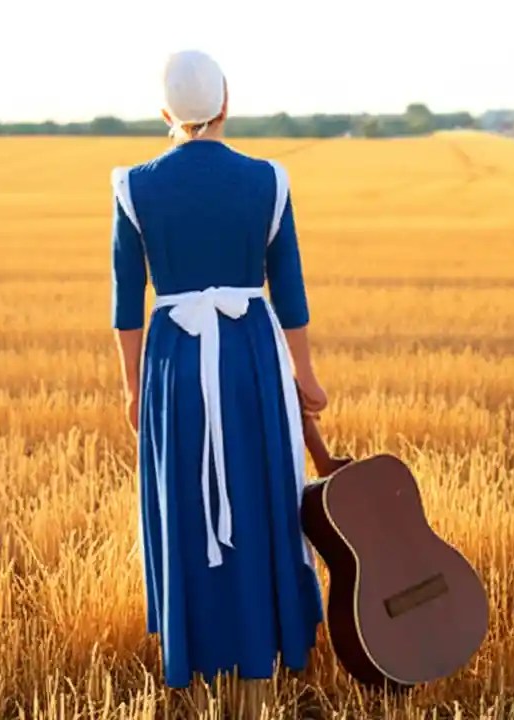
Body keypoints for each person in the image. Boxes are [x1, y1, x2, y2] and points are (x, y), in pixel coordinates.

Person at [109, 49, 328, 717]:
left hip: (174, 358)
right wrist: (306, 374)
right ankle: (268, 643)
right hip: (252, 354)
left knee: (186, 499)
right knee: (261, 490)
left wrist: (130, 387)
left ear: (165, 113)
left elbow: (126, 304)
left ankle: (194, 648)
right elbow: (287, 289)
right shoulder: (268, 179)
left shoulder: (132, 184)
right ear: (227, 103)